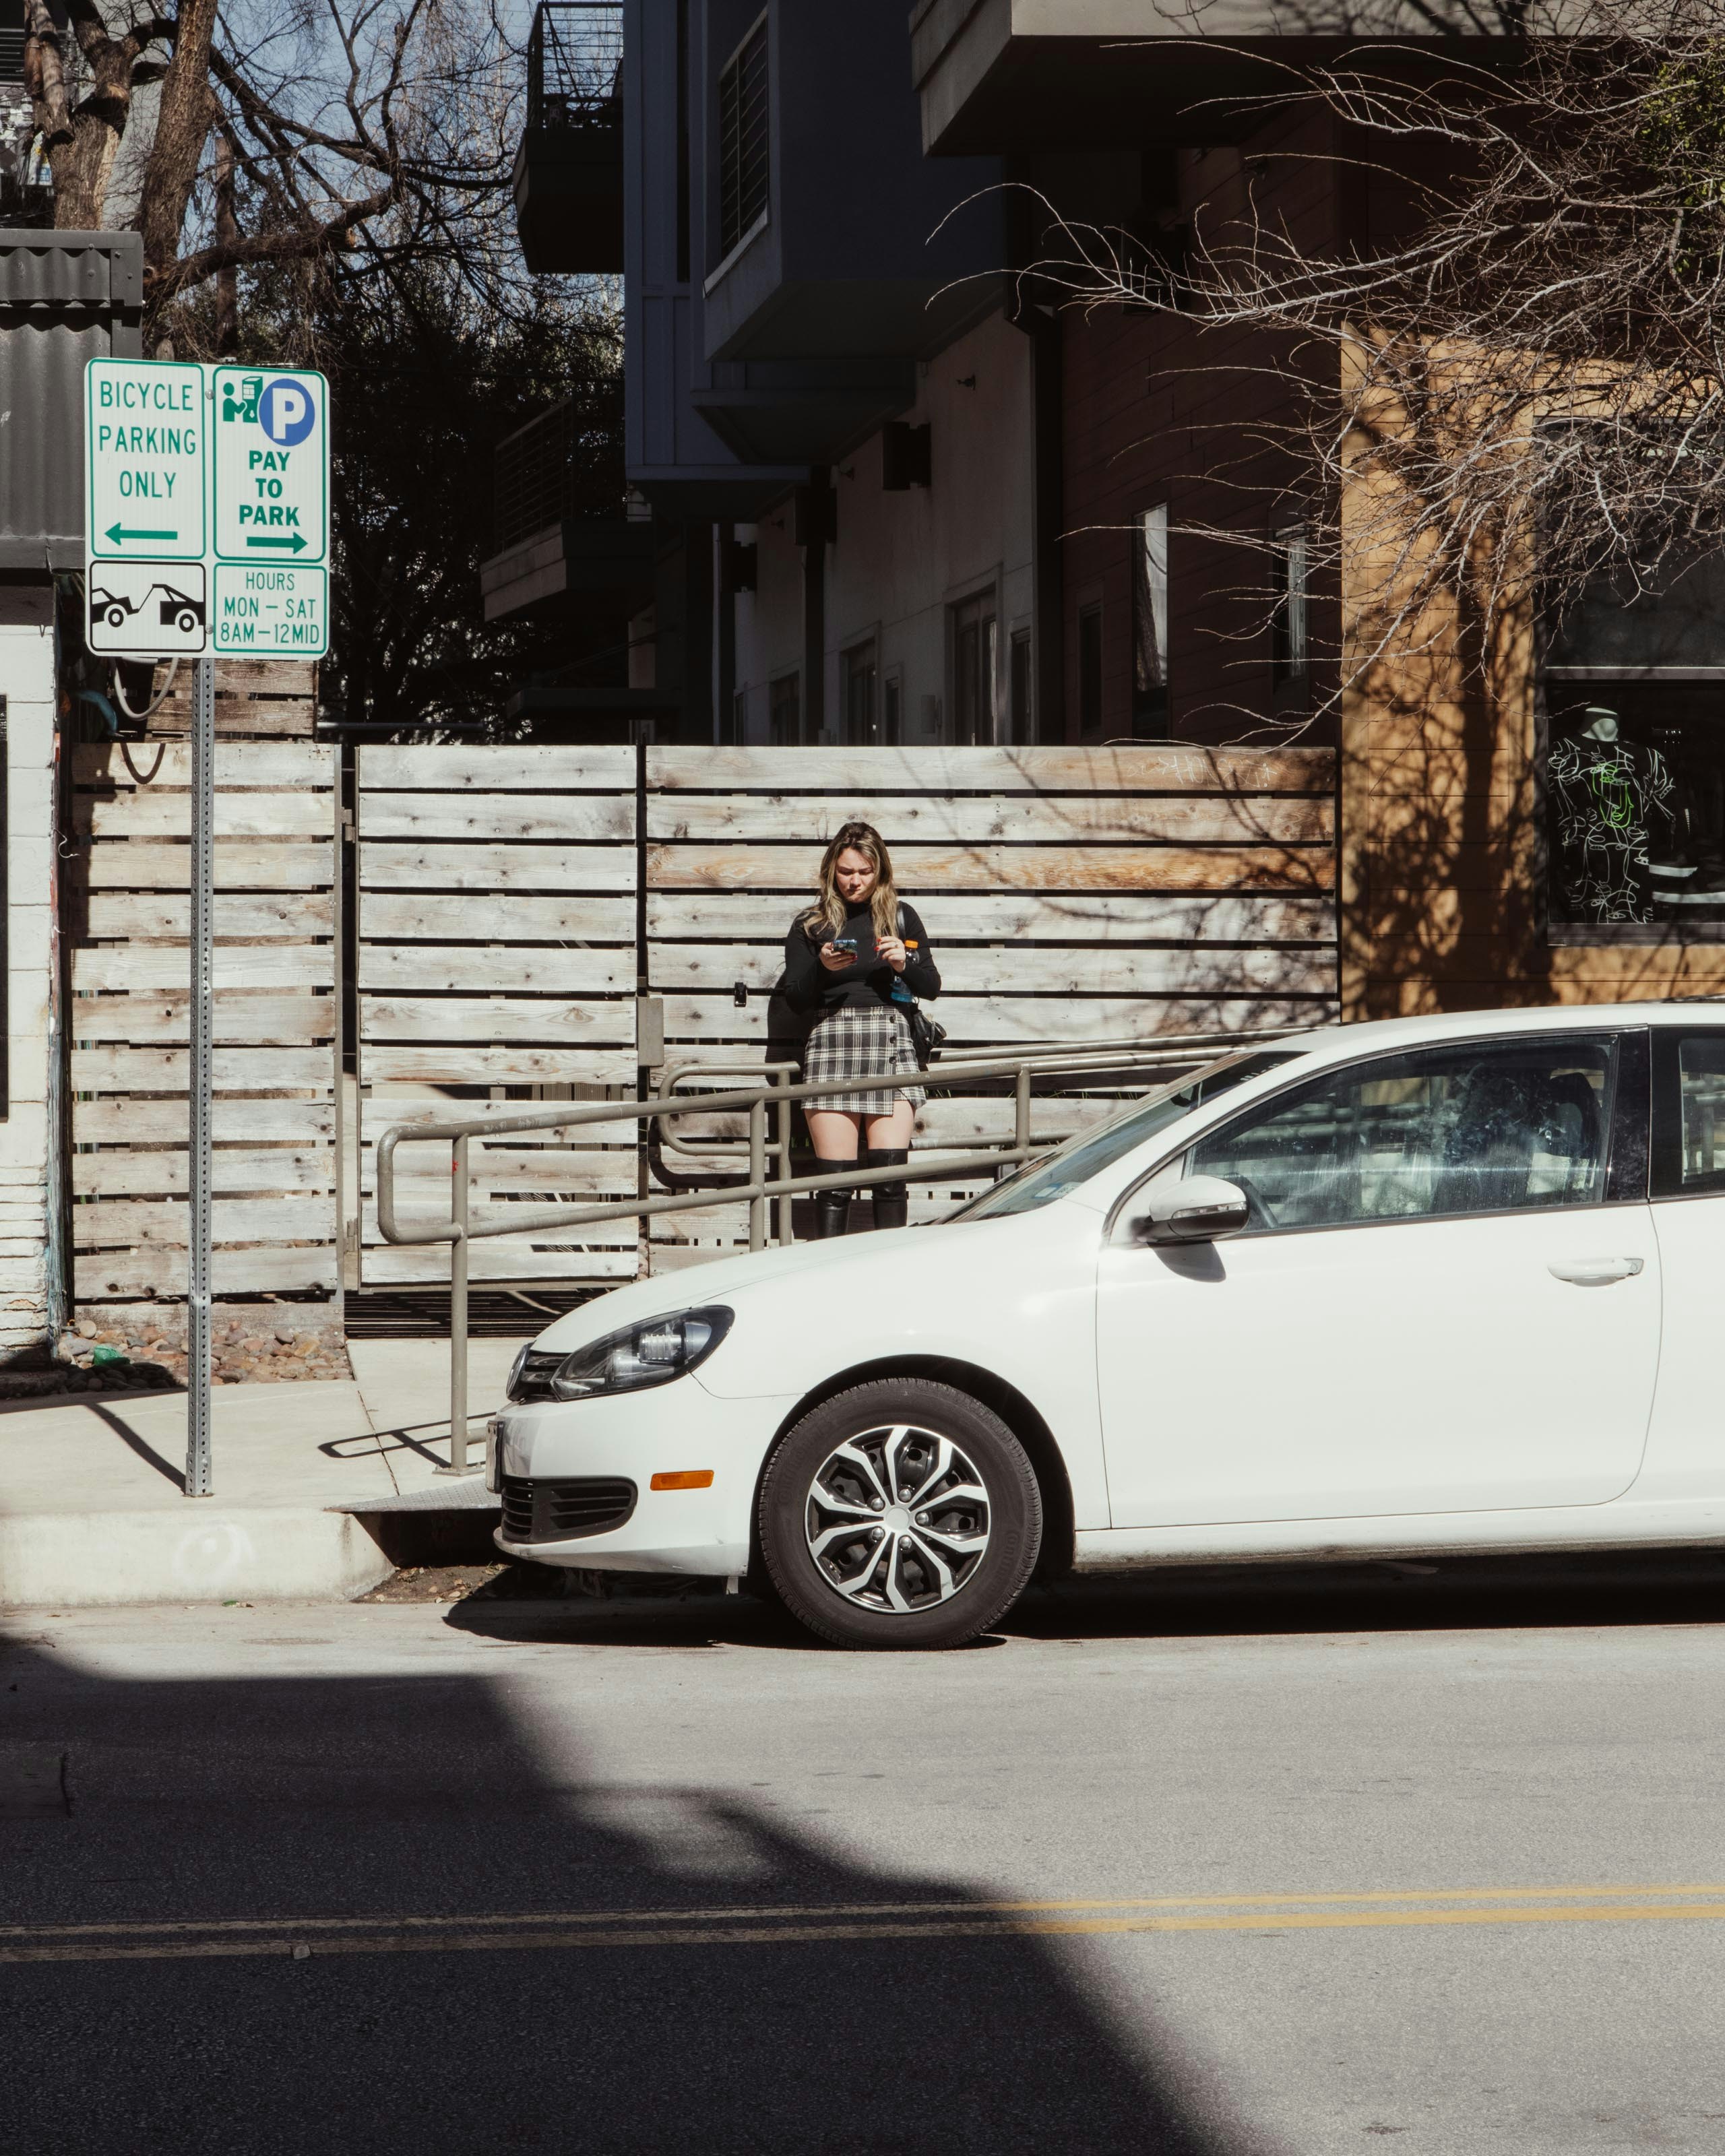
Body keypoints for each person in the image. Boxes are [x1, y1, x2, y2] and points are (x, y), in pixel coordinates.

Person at [782, 821, 941, 1237]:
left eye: (865, 872)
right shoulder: (810, 924)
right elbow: (796, 1000)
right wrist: (821, 968)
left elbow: (933, 987)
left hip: (890, 1039)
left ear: (881, 871)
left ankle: (891, 1277)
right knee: (835, 1187)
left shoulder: (901, 918)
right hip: (832, 1042)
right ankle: (829, 1280)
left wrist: (903, 964)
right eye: (846, 871)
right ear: (831, 870)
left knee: (889, 1182)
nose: (855, 882)